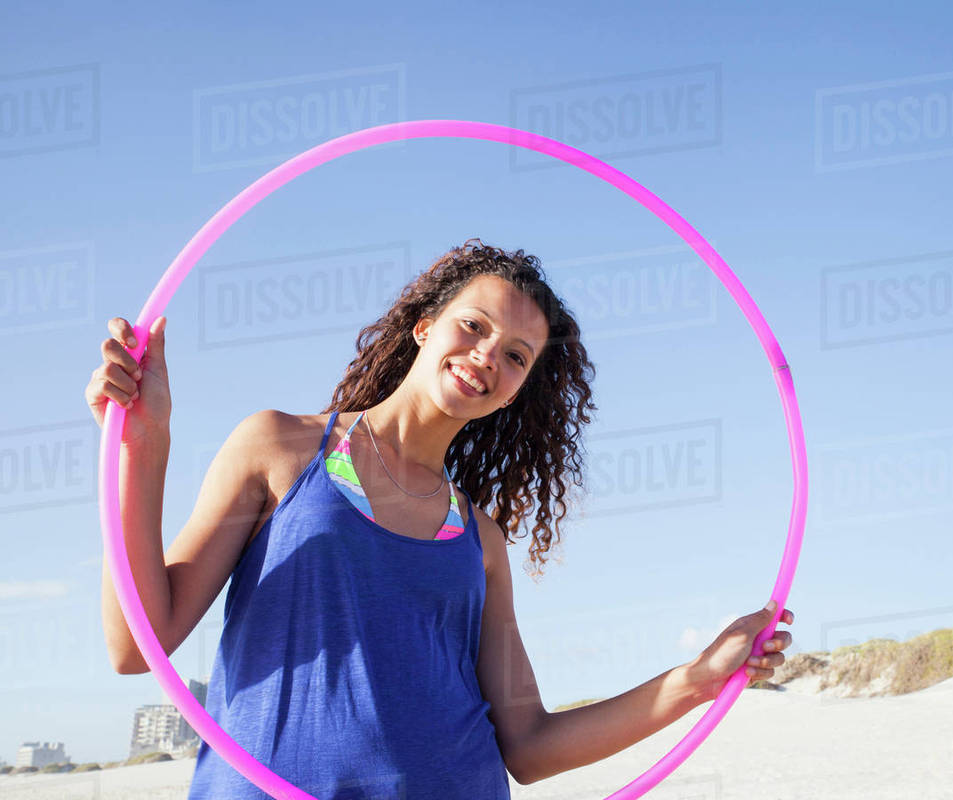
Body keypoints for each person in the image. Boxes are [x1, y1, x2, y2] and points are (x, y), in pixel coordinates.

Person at [85, 238, 794, 798]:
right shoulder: (279, 446)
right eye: (472, 325)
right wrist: (143, 449)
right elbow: (135, 643)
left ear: (518, 389)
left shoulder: (478, 538)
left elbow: (530, 743)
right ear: (424, 326)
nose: (488, 355)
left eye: (515, 355)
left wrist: (699, 679)